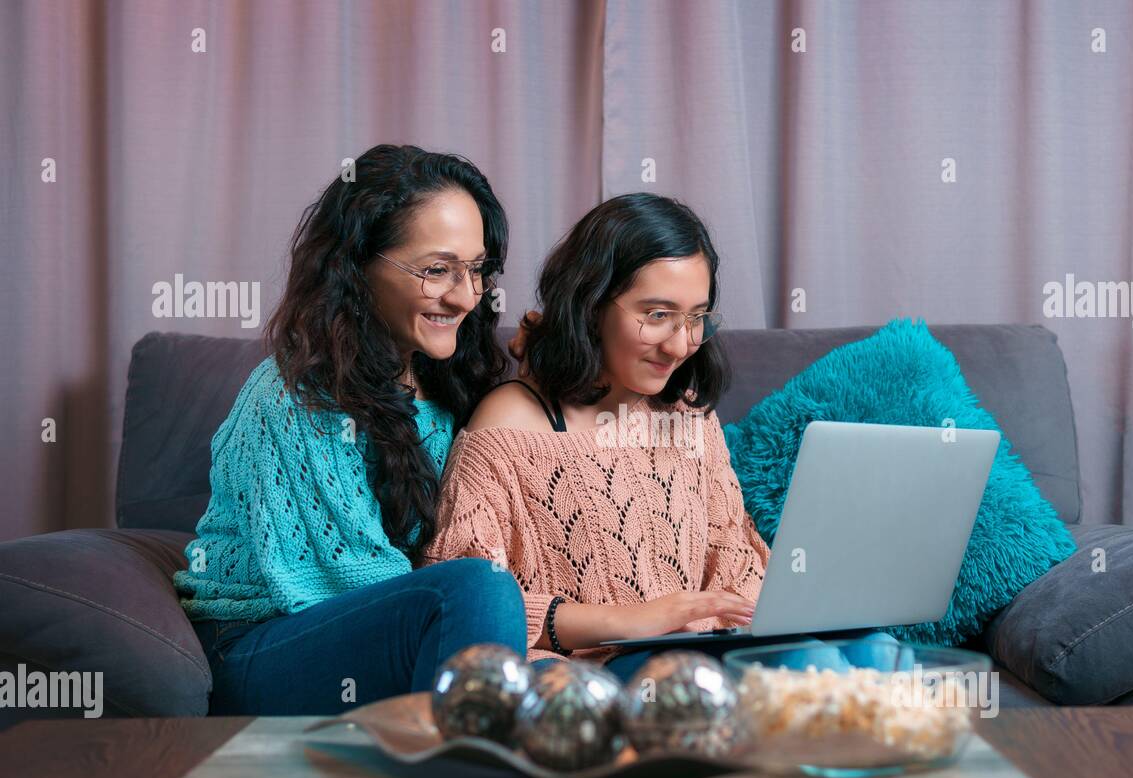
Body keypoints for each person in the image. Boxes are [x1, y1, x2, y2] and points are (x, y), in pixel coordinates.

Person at [173, 145, 527, 715]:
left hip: (391, 625)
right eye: (437, 270)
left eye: (477, 269)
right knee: (478, 588)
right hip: (265, 644)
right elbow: (359, 585)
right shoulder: (292, 397)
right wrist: (527, 648)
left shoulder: (446, 383)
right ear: (357, 266)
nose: (465, 295)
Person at [423, 192, 770, 684]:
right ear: (591, 304)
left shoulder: (687, 413)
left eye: (697, 318)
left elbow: (733, 555)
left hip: (708, 656)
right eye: (656, 315)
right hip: (594, 677)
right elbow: (469, 608)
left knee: (868, 650)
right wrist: (634, 623)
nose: (679, 345)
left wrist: (730, 624)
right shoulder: (509, 430)